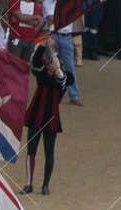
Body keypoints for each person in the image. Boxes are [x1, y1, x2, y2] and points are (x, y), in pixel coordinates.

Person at [22, 39, 69, 197]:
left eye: (53, 63)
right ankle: (29, 183)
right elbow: (35, 62)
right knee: (31, 151)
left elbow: (62, 81)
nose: (50, 65)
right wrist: (43, 45)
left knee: (49, 153)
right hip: (37, 116)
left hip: (49, 117)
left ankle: (45, 185)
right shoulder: (41, 75)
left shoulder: (62, 78)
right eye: (49, 62)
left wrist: (57, 70)